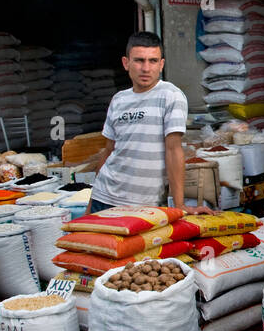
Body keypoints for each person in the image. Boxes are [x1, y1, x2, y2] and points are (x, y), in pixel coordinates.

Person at [85, 32, 211, 215]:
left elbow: (173, 150)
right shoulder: (119, 99)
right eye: (139, 60)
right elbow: (109, 151)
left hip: (143, 205)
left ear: (161, 65)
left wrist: (179, 204)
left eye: (153, 61)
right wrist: (93, 198)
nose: (146, 68)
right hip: (103, 196)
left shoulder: (171, 96)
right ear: (126, 63)